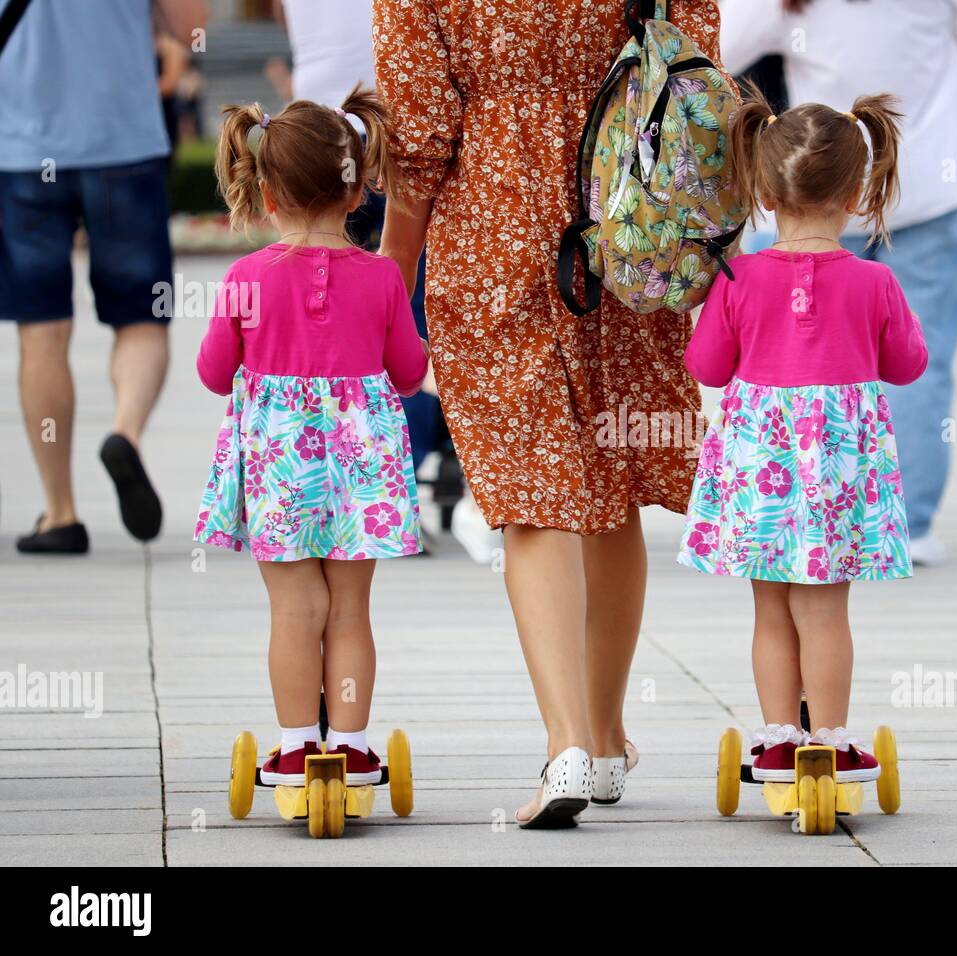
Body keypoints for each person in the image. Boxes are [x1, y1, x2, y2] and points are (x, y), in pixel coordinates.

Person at [374, 0, 723, 826]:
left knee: (534, 490)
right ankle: (605, 739)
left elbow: (420, 134)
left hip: (490, 220)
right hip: (629, 211)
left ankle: (565, 742)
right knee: (609, 475)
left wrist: (392, 269)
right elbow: (695, 60)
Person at [677, 88, 927, 779]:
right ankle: (836, 739)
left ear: (763, 191)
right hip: (840, 470)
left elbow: (707, 366)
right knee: (825, 614)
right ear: (857, 195)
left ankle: (778, 735)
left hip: (762, 465)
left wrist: (711, 301)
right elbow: (909, 366)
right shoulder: (874, 283)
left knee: (770, 610)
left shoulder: (739, 277)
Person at [193, 88, 428, 786]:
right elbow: (410, 374)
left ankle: (297, 745)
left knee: (296, 607)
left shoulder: (244, 279)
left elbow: (212, 373)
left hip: (278, 462)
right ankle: (352, 747)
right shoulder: (383, 277)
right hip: (365, 465)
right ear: (356, 194)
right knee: (350, 608)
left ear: (266, 192)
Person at [722, 0, 957, 568]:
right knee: (925, 362)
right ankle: (914, 522)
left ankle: (803, 506)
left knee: (803, 360)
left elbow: (724, 45)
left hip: (824, 197)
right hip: (928, 187)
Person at [0, 0, 208, 554]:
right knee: (142, 316)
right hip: (124, 144)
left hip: (20, 148)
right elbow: (193, 27)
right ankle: (126, 432)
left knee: (41, 329)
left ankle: (60, 514)